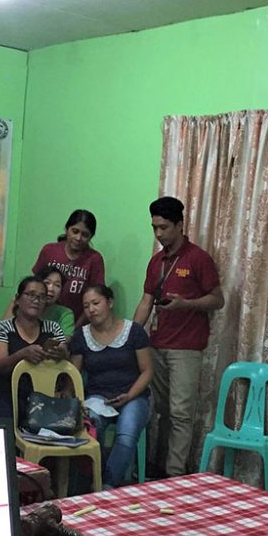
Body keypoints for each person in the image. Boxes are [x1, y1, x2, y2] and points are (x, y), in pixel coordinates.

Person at [132, 196, 223, 478]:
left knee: (182, 413)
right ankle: (155, 469)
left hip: (186, 347)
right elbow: (146, 301)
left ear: (180, 225)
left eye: (164, 227)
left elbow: (218, 300)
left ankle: (174, 475)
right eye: (154, 227)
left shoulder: (198, 258)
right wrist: (131, 336)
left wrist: (187, 304)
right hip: (156, 344)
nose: (158, 234)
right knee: (160, 411)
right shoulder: (156, 261)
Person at [70, 284, 152, 489]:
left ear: (110, 302)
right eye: (86, 306)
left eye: (96, 303)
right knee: (88, 430)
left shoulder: (133, 331)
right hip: (98, 398)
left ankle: (107, 485)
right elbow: (74, 373)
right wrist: (71, 396)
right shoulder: (82, 336)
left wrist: (129, 395)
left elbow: (147, 371)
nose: (91, 310)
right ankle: (86, 483)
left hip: (133, 396)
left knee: (126, 434)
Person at [0, 276, 67, 421]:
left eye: (42, 297)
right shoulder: (3, 328)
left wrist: (61, 353)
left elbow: (65, 356)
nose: (36, 301)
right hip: (8, 395)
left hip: (45, 396)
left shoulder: (53, 329)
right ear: (18, 299)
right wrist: (22, 355)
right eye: (30, 295)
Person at [31, 209, 105, 327]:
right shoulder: (49, 251)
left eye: (85, 234)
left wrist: (75, 329)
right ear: (67, 229)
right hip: (40, 321)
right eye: (75, 231)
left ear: (91, 237)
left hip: (77, 323)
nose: (78, 238)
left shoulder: (94, 259)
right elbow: (34, 286)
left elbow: (95, 297)